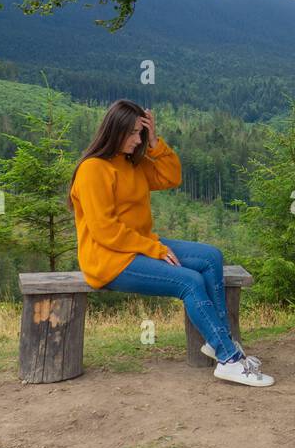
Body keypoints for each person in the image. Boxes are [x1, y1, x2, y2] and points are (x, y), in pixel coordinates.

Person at [68, 99, 273, 387]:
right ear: (115, 131)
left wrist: (155, 142)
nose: (137, 140)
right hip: (109, 259)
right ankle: (229, 359)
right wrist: (156, 249)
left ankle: (221, 343)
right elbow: (104, 230)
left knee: (211, 257)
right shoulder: (94, 169)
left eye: (141, 133)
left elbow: (171, 176)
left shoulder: (132, 163)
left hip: (138, 245)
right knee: (189, 282)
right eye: (133, 134)